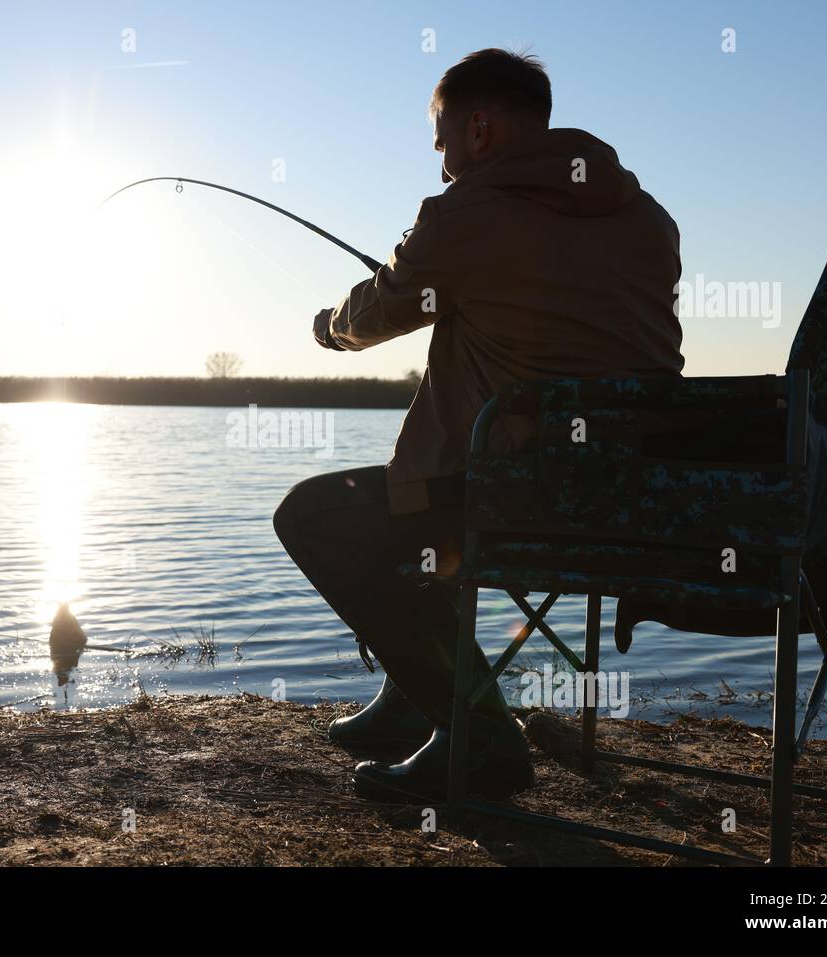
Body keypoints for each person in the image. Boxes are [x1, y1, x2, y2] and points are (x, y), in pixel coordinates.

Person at [273, 48, 685, 803]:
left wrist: (329, 328)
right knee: (438, 480)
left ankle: (481, 735)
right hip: (641, 506)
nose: (441, 167)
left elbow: (378, 312)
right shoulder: (650, 220)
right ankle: (415, 698)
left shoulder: (464, 215)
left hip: (522, 506)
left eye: (444, 143)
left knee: (318, 512)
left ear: (482, 129)